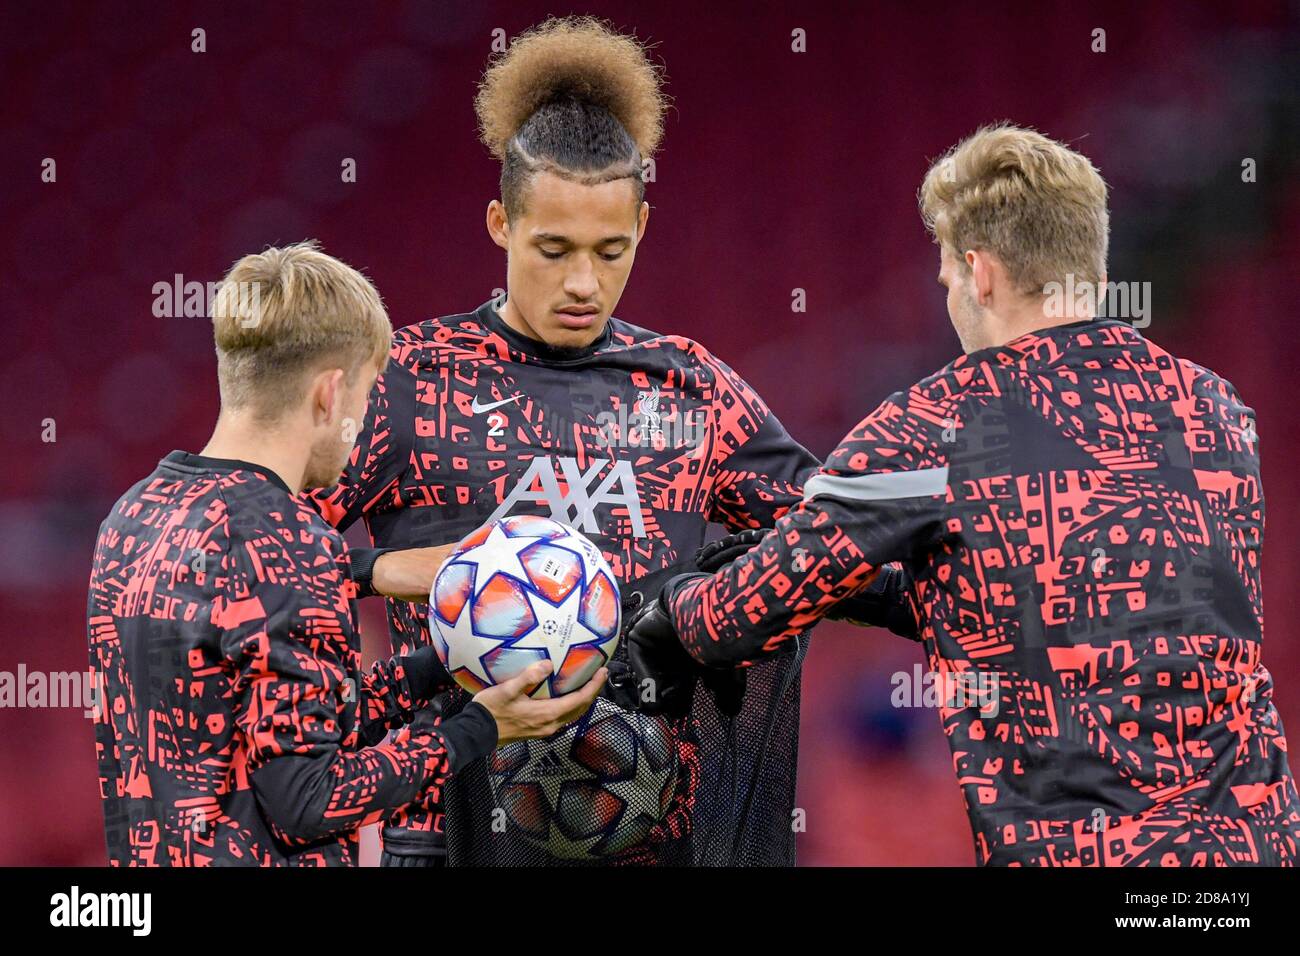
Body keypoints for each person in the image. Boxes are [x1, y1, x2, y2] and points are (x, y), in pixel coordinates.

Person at [630, 124, 1300, 866]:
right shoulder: (1216, 410)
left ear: (979, 272)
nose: (949, 291)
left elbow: (737, 618)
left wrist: (667, 613)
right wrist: (889, 591)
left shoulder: (937, 424)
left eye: (946, 273)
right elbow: (1079, 597)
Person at [304, 16, 830, 867]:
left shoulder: (692, 389)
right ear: (500, 223)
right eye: (552, 248)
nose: (583, 282)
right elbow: (248, 558)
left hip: (652, 836)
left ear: (644, 228)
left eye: (610, 249)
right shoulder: (407, 378)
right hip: (446, 839)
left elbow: (831, 540)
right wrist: (377, 570)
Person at [88, 242, 603, 866]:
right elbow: (307, 801)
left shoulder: (136, 512)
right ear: (331, 395)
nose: (362, 420)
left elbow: (281, 729)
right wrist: (482, 729)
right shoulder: (291, 538)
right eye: (365, 398)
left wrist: (450, 659)